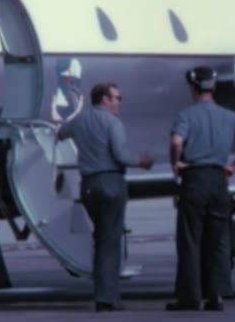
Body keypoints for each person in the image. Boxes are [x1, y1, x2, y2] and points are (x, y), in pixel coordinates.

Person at [165, 66, 235, 311]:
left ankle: (189, 297)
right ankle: (216, 296)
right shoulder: (229, 116)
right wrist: (233, 167)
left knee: (190, 240)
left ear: (192, 87)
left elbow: (177, 141)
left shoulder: (186, 115)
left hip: (194, 179)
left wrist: (176, 163)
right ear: (213, 87)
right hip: (219, 181)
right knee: (217, 241)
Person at [56, 82, 154, 312]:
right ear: (104, 99)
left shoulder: (79, 121)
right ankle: (106, 298)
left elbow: (60, 134)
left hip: (88, 186)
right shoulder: (113, 123)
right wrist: (141, 162)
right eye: (117, 98)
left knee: (101, 240)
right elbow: (120, 155)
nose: (120, 102)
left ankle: (106, 293)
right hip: (111, 183)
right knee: (110, 243)